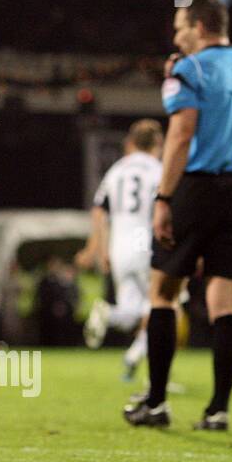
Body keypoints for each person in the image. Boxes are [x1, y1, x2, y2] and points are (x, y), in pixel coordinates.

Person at [125, 0, 232, 430]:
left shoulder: (190, 68)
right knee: (226, 303)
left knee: (163, 293)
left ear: (201, 27)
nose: (176, 36)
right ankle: (218, 409)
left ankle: (156, 402)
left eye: (180, 27)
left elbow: (182, 133)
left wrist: (164, 198)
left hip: (197, 189)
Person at [79, 119, 163, 379]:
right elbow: (165, 209)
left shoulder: (116, 171)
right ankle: (145, 363)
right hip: (146, 242)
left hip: (120, 245)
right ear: (157, 144)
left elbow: (98, 211)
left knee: (131, 312)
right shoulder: (158, 170)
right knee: (163, 307)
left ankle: (115, 326)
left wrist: (98, 249)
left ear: (130, 143)